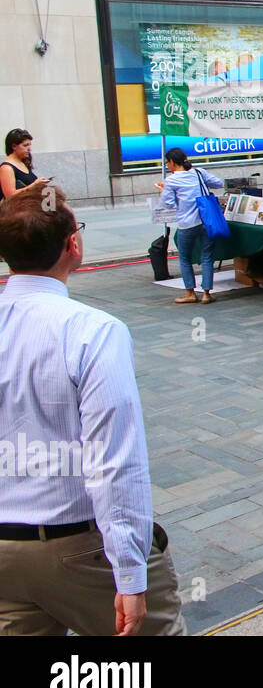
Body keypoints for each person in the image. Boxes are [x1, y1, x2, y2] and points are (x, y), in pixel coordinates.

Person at [0, 182, 185, 635]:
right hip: (78, 543)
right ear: (73, 244)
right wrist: (130, 571)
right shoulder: (93, 331)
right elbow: (113, 461)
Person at [156, 148, 224, 305]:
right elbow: (218, 183)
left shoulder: (171, 180)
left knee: (185, 258)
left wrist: (162, 190)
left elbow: (168, 203)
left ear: (172, 162)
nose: (167, 166)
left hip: (187, 224)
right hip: (207, 221)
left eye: (167, 162)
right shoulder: (199, 172)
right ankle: (207, 294)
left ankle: (190, 293)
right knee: (207, 256)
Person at [1, 128, 42, 202]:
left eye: (30, 145)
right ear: (14, 146)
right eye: (25, 145)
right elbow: (10, 196)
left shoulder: (23, 162)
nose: (29, 149)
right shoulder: (7, 168)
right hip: (17, 209)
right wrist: (35, 185)